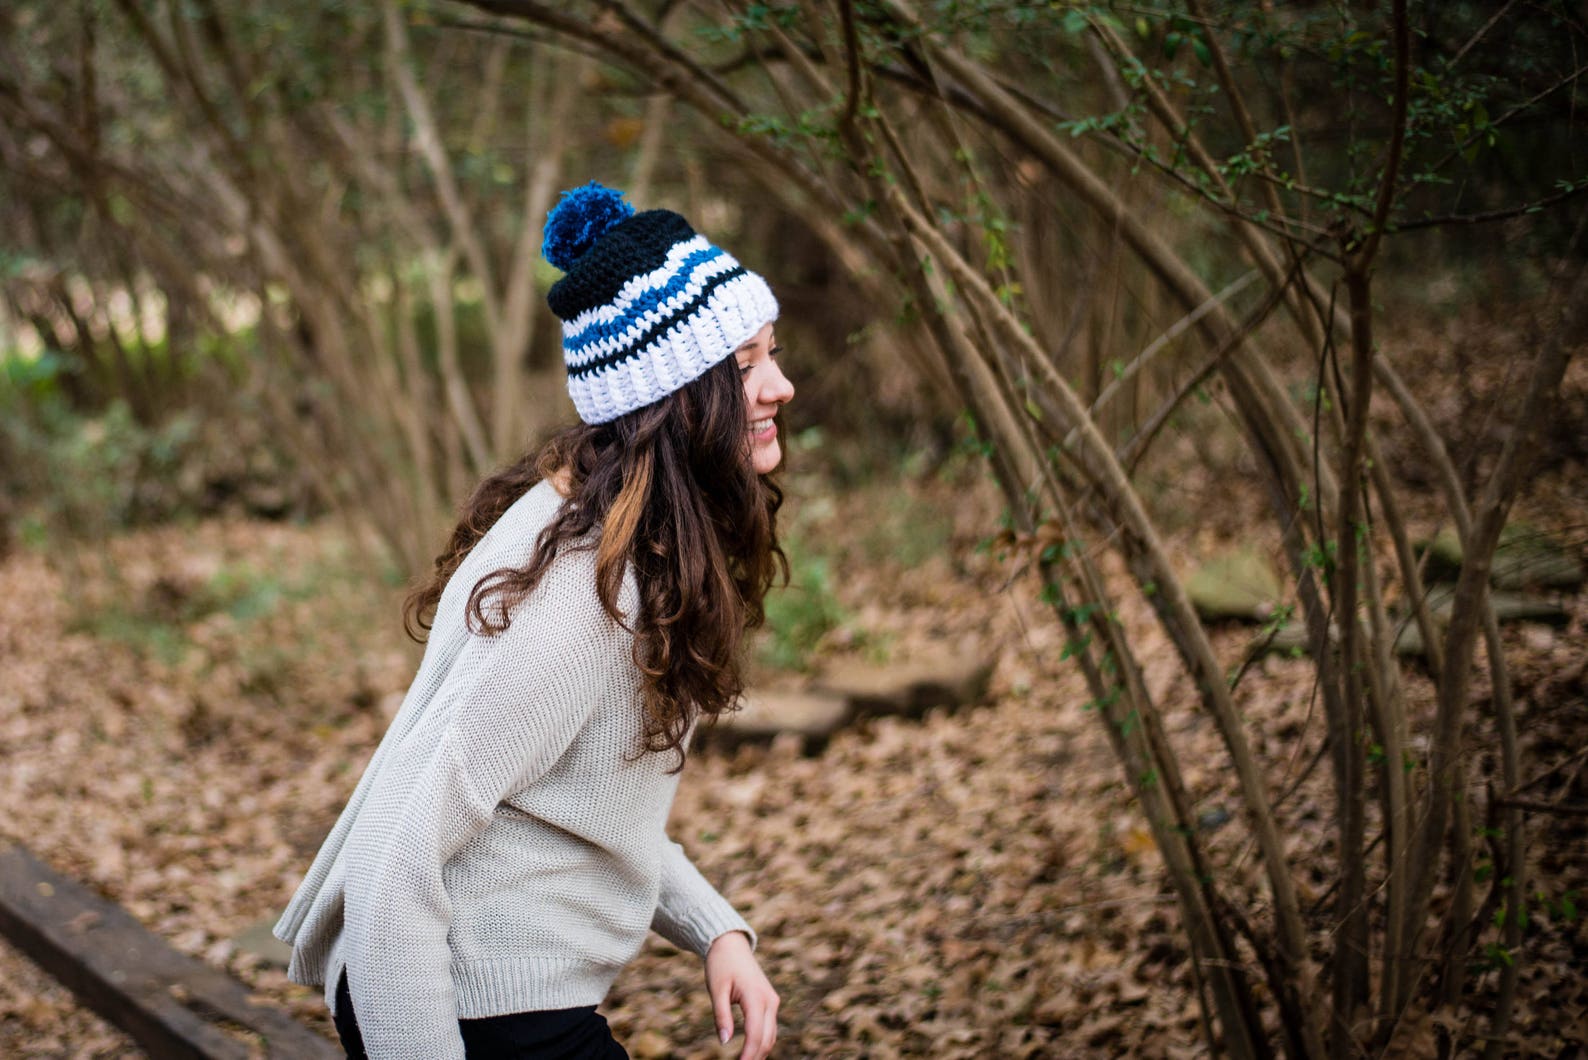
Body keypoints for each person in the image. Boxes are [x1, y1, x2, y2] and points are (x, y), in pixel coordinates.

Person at [273, 182, 793, 1060]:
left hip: (501, 998)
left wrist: (717, 931)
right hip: (459, 1010)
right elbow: (393, 866)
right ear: (673, 394)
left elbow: (580, 807)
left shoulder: (632, 545)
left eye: (772, 352)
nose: (779, 385)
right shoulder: (582, 600)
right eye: (744, 364)